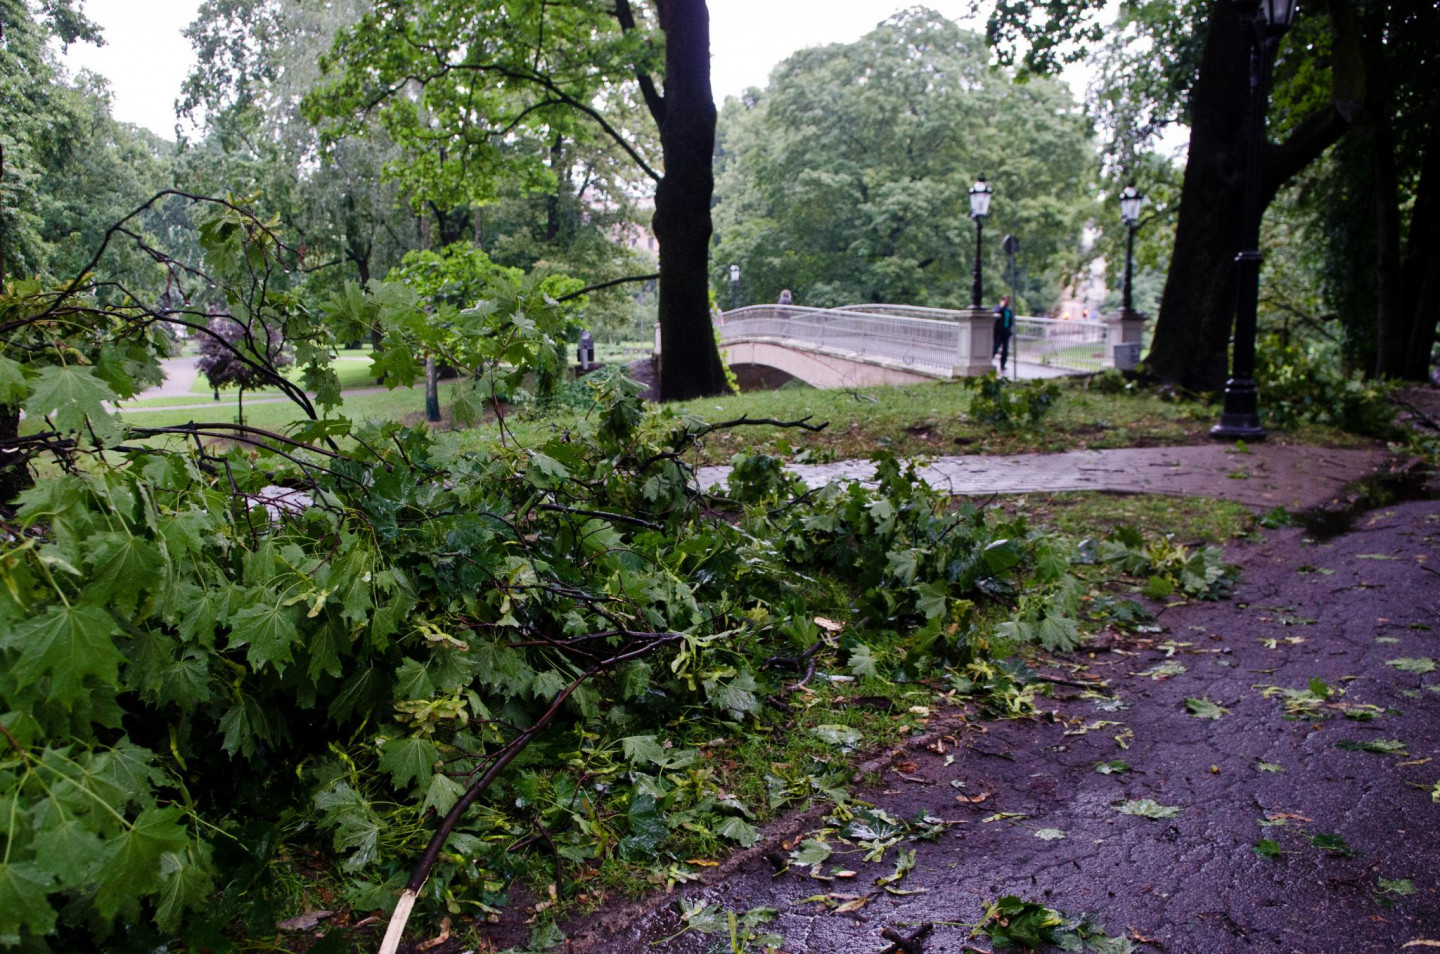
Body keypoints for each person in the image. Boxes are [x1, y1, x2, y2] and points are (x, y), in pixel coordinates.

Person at [992, 294, 1015, 372]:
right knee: (995, 347)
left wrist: (1009, 329)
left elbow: (1011, 321)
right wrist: (1001, 306)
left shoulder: (1008, 310)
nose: (1006, 301)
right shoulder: (998, 308)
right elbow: (995, 313)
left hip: (1006, 332)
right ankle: (989, 361)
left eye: (1007, 300)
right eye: (1005, 299)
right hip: (998, 332)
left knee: (1005, 350)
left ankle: (1003, 365)